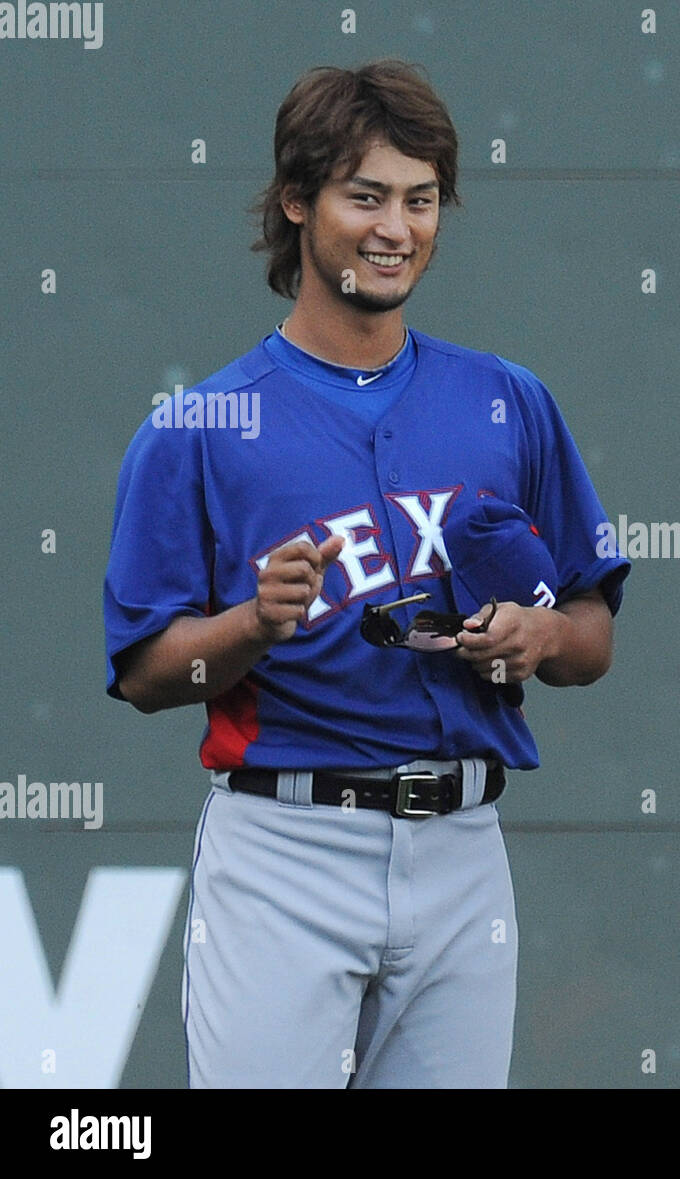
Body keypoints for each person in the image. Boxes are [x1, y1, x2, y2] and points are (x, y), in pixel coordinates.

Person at [104, 60, 629, 1089]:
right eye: (366, 195)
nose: (397, 227)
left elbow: (590, 633)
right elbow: (144, 674)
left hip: (463, 843)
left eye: (421, 199)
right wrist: (253, 623)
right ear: (296, 201)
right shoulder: (200, 427)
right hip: (284, 845)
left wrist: (546, 636)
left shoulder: (507, 401)